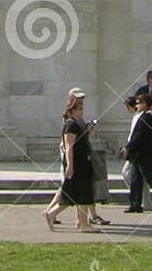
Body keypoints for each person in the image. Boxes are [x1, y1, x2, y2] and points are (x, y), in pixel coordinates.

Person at [44, 89, 109, 231]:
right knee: (83, 193)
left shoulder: (77, 123)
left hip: (82, 163)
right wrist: (70, 166)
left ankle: (58, 216)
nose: (82, 111)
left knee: (74, 195)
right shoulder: (70, 124)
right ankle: (82, 223)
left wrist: (87, 132)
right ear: (73, 110)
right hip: (78, 165)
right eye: (80, 109)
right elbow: (69, 146)